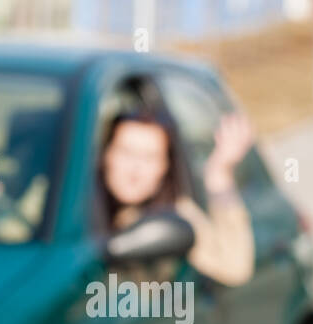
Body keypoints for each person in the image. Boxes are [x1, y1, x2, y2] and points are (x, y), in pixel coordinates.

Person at [98, 105, 256, 286]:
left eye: (149, 157)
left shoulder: (176, 213)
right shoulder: (71, 198)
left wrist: (218, 175)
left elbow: (235, 267)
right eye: (126, 152)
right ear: (106, 154)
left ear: (165, 166)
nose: (136, 169)